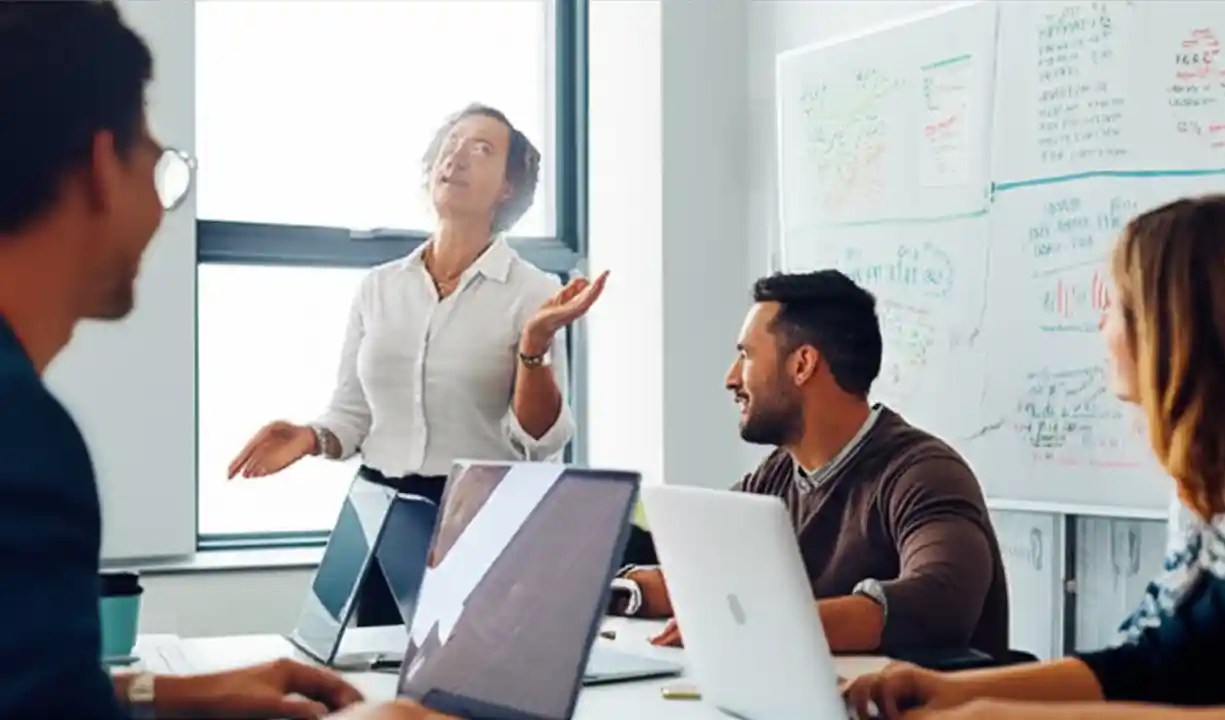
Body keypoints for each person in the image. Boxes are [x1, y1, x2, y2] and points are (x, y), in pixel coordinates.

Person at [0, 2, 441, 718]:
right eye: (161, 170)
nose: (161, 210)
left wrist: (186, 694)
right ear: (102, 169)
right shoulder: (23, 440)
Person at [845, 193, 1225, 719]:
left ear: (1168, 324)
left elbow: (1178, 671)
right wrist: (955, 691)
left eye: (1114, 304)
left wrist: (1001, 712)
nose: (1101, 326)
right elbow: (1162, 659)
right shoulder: (1211, 483)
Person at [227, 102, 605, 625]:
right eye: (451, 143)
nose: (457, 156)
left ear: (507, 187)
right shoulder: (379, 287)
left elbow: (539, 439)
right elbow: (353, 416)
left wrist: (535, 342)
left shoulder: (533, 292)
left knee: (472, 669)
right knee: (374, 669)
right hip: (380, 514)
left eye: (482, 149)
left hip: (478, 519)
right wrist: (310, 437)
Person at [614, 271, 1010, 657]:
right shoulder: (776, 475)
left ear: (802, 364)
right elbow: (695, 571)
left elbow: (939, 602)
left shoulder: (924, 474)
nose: (731, 379)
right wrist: (622, 591)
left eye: (746, 355)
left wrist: (759, 625)